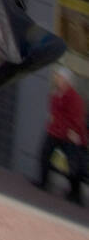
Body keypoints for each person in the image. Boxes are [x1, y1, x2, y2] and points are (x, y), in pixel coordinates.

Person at [34, 65, 87, 204]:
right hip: (55, 131)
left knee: (73, 165)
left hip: (70, 135)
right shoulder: (56, 94)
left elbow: (76, 118)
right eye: (57, 77)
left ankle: (76, 194)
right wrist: (51, 126)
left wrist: (72, 132)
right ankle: (43, 182)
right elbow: (54, 113)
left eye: (59, 77)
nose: (56, 79)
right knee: (45, 154)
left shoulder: (74, 98)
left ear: (67, 80)